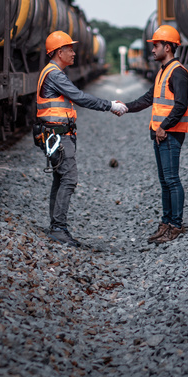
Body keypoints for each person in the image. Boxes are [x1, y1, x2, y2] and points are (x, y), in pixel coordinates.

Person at [36, 30, 127, 247]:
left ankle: (55, 225)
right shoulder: (55, 74)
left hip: (54, 134)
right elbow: (79, 97)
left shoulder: (51, 72)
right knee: (68, 179)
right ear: (59, 52)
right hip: (57, 135)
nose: (74, 53)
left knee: (60, 179)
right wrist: (110, 105)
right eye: (70, 49)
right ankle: (58, 228)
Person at [121, 24, 188, 244]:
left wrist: (164, 127)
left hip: (170, 134)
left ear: (168, 47)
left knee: (172, 180)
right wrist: (124, 107)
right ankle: (167, 222)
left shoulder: (178, 72)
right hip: (160, 134)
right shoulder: (163, 71)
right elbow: (147, 99)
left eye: (156, 45)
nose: (152, 49)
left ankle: (176, 225)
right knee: (164, 181)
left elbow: (180, 105)